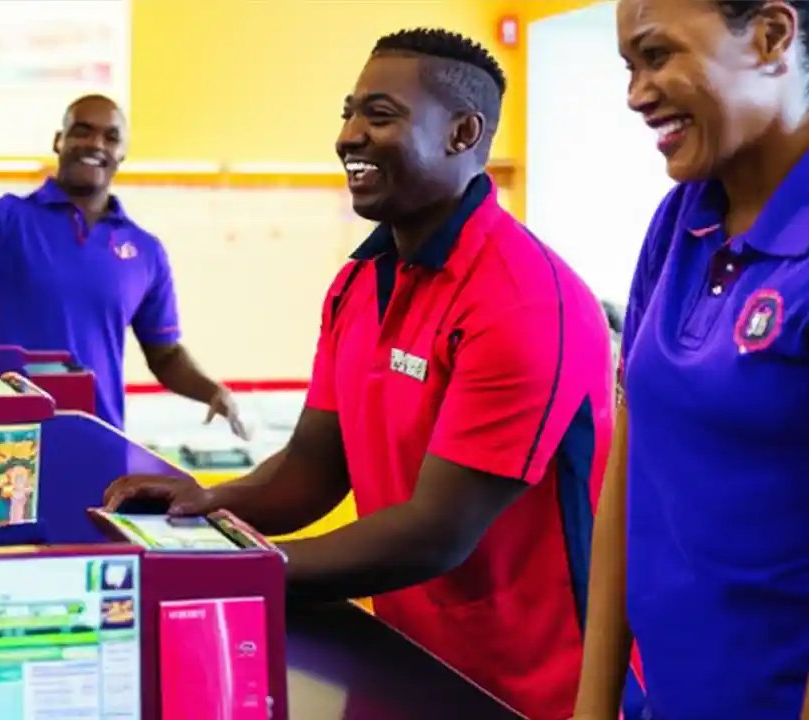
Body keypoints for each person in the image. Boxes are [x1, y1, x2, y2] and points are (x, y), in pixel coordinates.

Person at [106, 28, 615, 720]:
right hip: (403, 664)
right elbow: (310, 471)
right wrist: (205, 506)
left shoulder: (522, 299)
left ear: (462, 132)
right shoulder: (359, 283)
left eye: (379, 115)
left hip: (532, 694)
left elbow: (437, 531)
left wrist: (242, 571)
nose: (349, 136)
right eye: (347, 113)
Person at [573, 2, 809, 719]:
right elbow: (628, 466)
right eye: (628, 66)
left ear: (771, 36)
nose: (636, 94)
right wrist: (592, 708)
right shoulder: (681, 220)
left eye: (657, 56)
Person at [0, 68, 246, 436]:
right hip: (9, 439)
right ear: (58, 140)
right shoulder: (4, 219)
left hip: (100, 440)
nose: (96, 144)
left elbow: (165, 355)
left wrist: (213, 392)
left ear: (122, 154)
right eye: (82, 130)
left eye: (110, 137)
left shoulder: (146, 251)